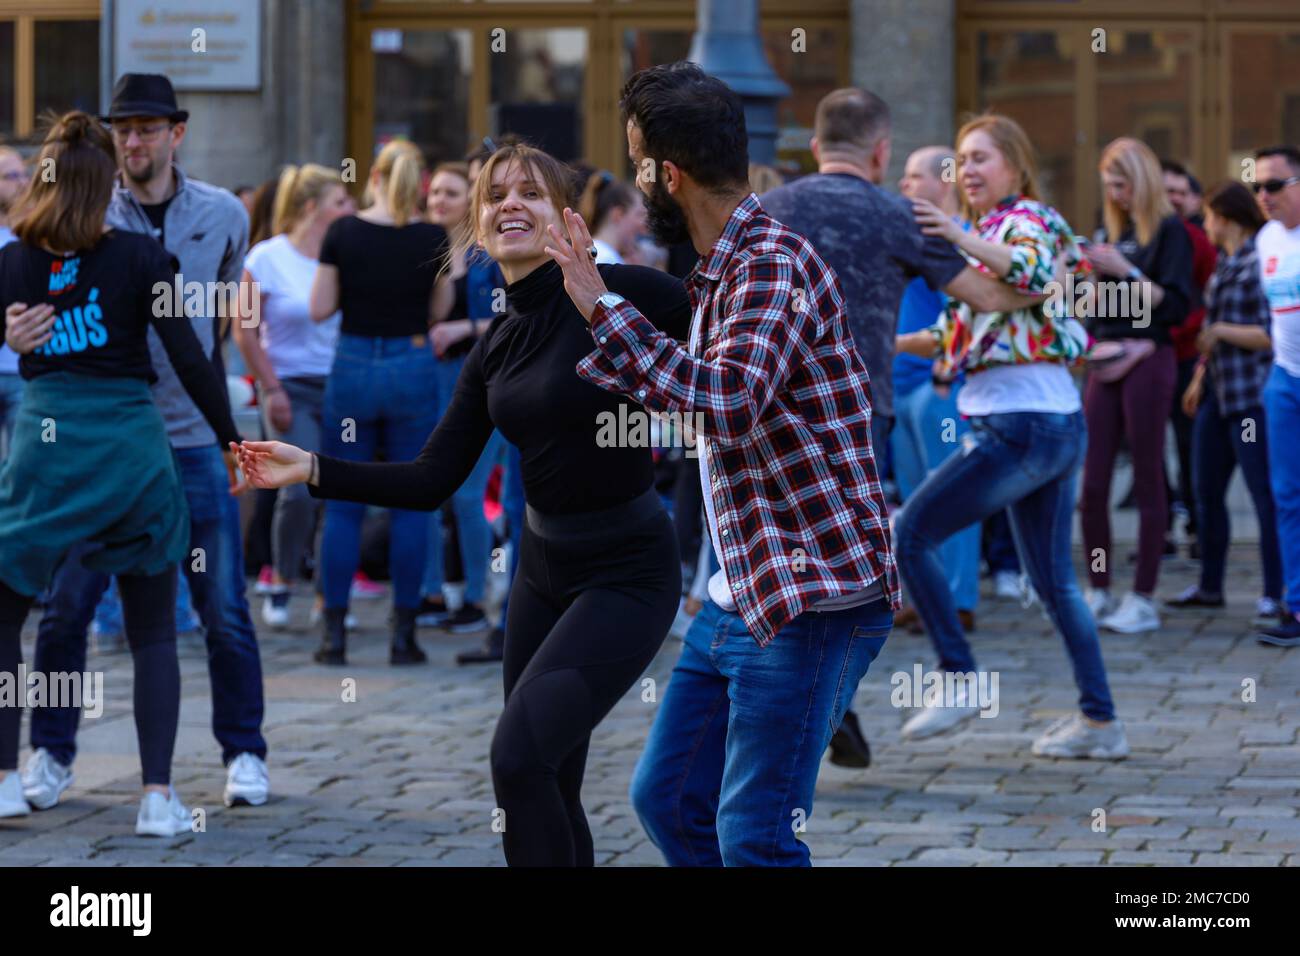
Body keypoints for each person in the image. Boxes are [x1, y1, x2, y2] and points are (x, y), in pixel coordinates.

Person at [238, 141, 690, 867]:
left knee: (516, 759)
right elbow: (430, 478)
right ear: (478, 227)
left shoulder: (622, 290)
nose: (511, 203)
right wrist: (312, 468)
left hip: (628, 572)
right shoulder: (497, 344)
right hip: (543, 574)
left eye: (531, 193)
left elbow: (736, 336)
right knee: (548, 779)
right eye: (496, 195)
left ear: (564, 217)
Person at [570, 62, 896, 867]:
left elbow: (727, 401)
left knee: (756, 837)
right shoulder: (721, 267)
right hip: (740, 592)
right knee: (670, 799)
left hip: (811, 596)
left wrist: (600, 306)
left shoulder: (768, 263)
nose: (638, 179)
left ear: (667, 175)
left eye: (640, 161)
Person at [12, 74, 270, 813]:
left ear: (176, 134)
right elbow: (37, 304)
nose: (135, 140)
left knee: (222, 606)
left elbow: (216, 322)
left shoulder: (222, 214)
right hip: (101, 443)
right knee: (67, 605)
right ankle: (50, 752)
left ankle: (245, 750)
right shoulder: (84, 205)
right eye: (124, 128)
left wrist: (230, 432)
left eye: (150, 127)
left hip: (188, 439)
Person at [760, 89, 1037, 771]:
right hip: (857, 413)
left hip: (767, 410)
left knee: (777, 563)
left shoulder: (766, 212)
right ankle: (828, 706)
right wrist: (1048, 285)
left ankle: (795, 714)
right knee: (845, 566)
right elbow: (991, 297)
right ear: (882, 151)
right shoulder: (898, 215)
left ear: (817, 144)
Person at [894, 113, 1126, 757]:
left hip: (1022, 425)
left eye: (979, 158)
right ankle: (1102, 723)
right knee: (1055, 585)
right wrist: (882, 344)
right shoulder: (986, 231)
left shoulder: (1027, 222)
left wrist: (956, 232)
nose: (965, 170)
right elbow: (958, 334)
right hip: (1043, 423)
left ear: (1017, 167)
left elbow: (1027, 273)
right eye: (960, 161)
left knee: (909, 532)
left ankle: (960, 676)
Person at [308, 140, 450, 665]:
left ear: (372, 175)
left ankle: (334, 635)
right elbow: (438, 309)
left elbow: (319, 307)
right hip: (412, 366)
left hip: (352, 367)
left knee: (342, 502)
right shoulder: (432, 236)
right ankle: (403, 635)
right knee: (413, 500)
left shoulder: (343, 232)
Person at [1080, 137, 1194, 633]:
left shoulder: (1170, 232)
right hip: (1107, 357)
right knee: (1093, 483)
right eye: (1109, 186)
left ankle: (1143, 595)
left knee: (1149, 477)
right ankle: (1100, 586)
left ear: (1141, 181)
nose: (1117, 194)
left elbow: (1173, 306)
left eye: (1123, 184)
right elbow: (1093, 308)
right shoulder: (1109, 227)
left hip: (1150, 356)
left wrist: (1123, 270)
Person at [233, 164, 353, 628]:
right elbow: (243, 330)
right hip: (289, 385)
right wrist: (271, 386)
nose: (349, 210)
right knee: (300, 491)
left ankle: (328, 596)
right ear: (311, 207)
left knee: (340, 488)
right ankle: (281, 577)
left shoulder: (343, 252)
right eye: (340, 202)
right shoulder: (265, 257)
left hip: (341, 386)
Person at [1172, 181, 1282, 626]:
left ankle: (1276, 591)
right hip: (1219, 392)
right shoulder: (1225, 262)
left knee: (1264, 497)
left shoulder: (1260, 261)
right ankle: (1210, 584)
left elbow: (1270, 333)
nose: (1207, 224)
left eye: (1211, 216)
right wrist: (1199, 376)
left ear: (1227, 218)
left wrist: (1219, 333)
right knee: (1205, 491)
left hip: (1251, 395)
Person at [891, 145, 982, 635]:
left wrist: (946, 371)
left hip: (939, 386)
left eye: (912, 176)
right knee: (914, 499)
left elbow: (967, 315)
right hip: (902, 383)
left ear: (943, 181)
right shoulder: (913, 234)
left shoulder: (962, 237)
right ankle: (925, 596)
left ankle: (959, 598)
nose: (904, 185)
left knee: (951, 495)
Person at [422, 160, 505, 641]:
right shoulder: (424, 250)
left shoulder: (486, 256)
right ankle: (435, 593)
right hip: (429, 380)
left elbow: (511, 316)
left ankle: (475, 598)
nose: (439, 201)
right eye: (434, 193)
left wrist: (463, 327)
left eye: (450, 193)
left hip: (480, 379)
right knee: (431, 489)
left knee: (469, 493)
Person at [1252, 146, 1300, 645]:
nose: (1263, 196)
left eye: (1274, 185)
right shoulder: (1265, 239)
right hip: (1284, 378)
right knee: (1286, 495)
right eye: (1257, 187)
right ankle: (1297, 608)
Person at [1162, 159, 1218, 559]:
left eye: (1181, 192)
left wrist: (1187, 332)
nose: (1175, 199)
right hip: (1147, 357)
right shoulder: (1137, 238)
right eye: (1168, 192)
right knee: (1148, 451)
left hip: (1185, 358)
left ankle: (1198, 527)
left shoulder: (1198, 240)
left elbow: (1209, 297)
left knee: (1190, 445)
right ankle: (1161, 529)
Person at [0, 146, 30, 457]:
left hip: (23, 373)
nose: (23, 183)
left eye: (25, 174)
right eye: (11, 176)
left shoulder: (35, 235)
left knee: (23, 463)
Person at [577, 170, 648, 265]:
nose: (643, 224)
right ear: (618, 214)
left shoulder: (599, 254)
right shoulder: (607, 260)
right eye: (639, 214)